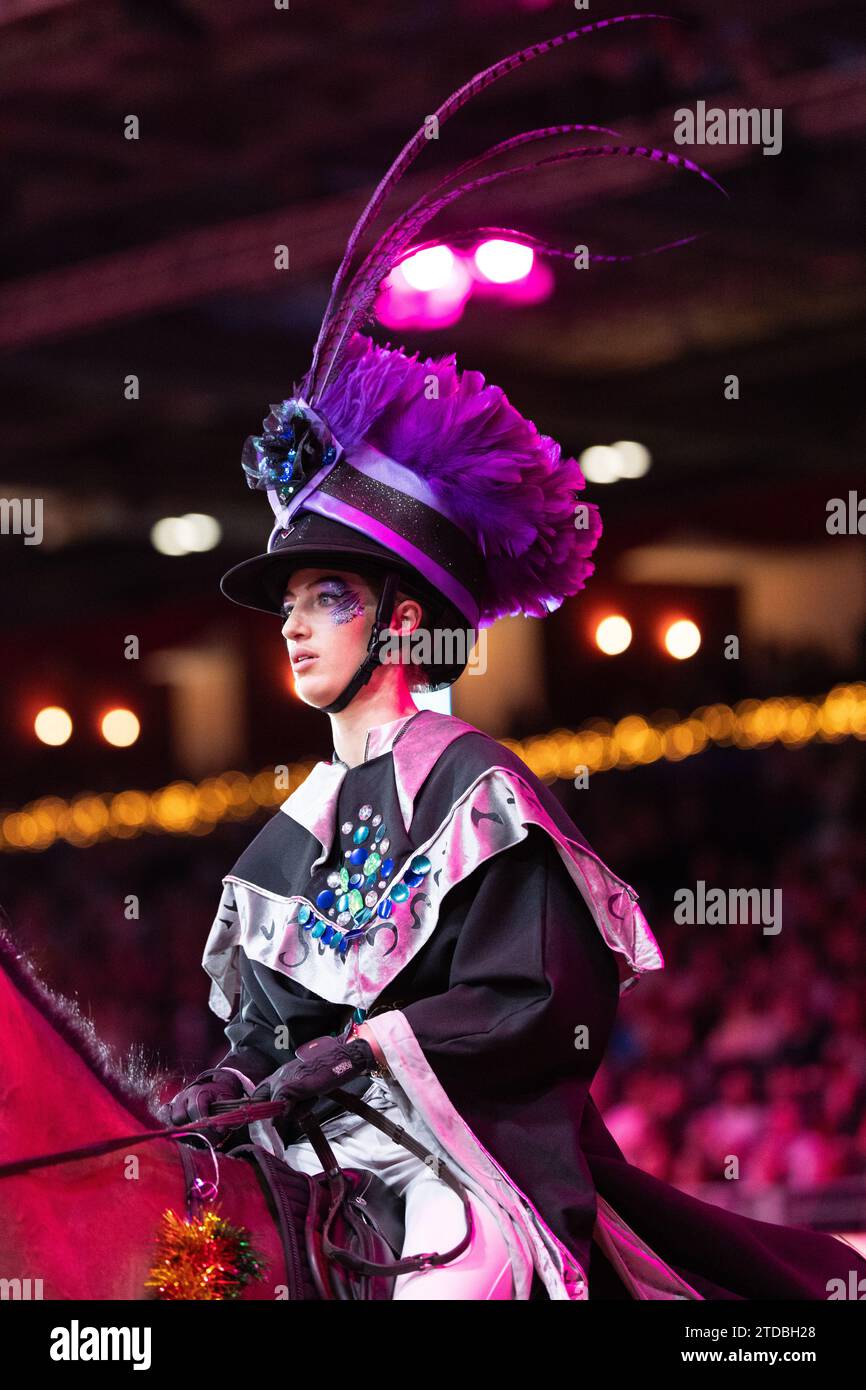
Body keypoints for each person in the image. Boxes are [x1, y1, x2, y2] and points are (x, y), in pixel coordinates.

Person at [167, 18, 866, 1299]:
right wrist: (233, 1079)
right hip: (327, 1196)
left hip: (464, 1189)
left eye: (327, 593)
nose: (293, 620)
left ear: (399, 619)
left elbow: (541, 1004)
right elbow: (268, 1025)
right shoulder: (288, 831)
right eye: (291, 599)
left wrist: (374, 1049)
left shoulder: (475, 787)